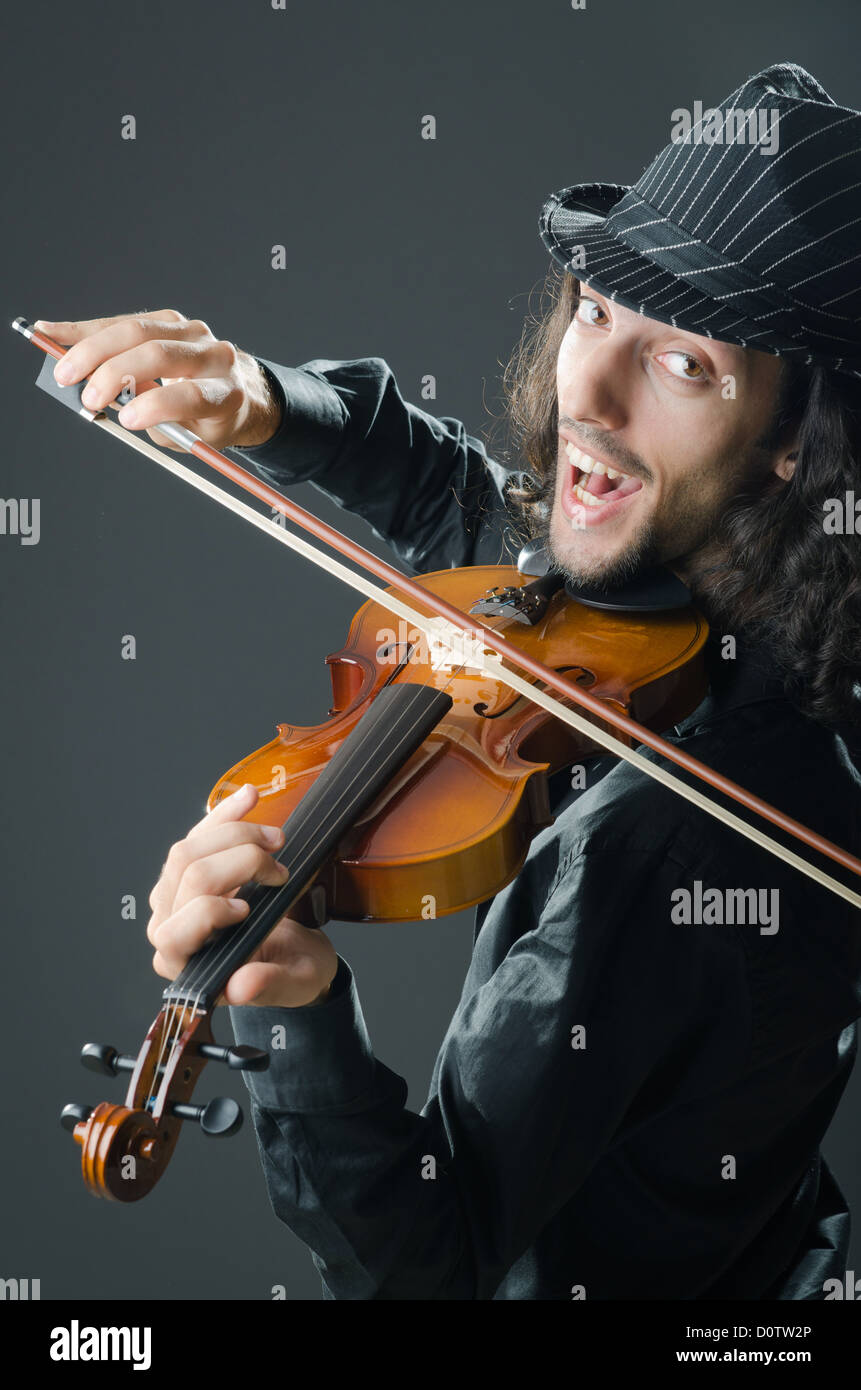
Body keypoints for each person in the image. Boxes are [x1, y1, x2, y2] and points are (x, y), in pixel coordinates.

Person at [37, 61, 861, 1299]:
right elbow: (470, 511)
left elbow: (435, 1264)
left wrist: (296, 1008)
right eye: (594, 309)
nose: (587, 396)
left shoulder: (657, 850)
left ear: (799, 440)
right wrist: (269, 401)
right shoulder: (709, 587)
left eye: (686, 364)